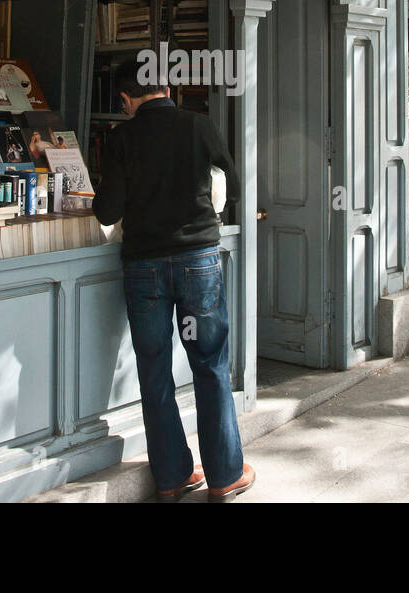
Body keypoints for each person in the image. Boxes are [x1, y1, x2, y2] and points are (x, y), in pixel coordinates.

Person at [92, 59, 251, 503]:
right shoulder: (199, 126)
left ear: (126, 99)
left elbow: (107, 212)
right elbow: (234, 188)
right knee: (210, 364)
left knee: (154, 371)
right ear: (167, 87)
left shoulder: (121, 137)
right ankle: (224, 475)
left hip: (143, 267)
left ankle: (171, 476)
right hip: (197, 261)